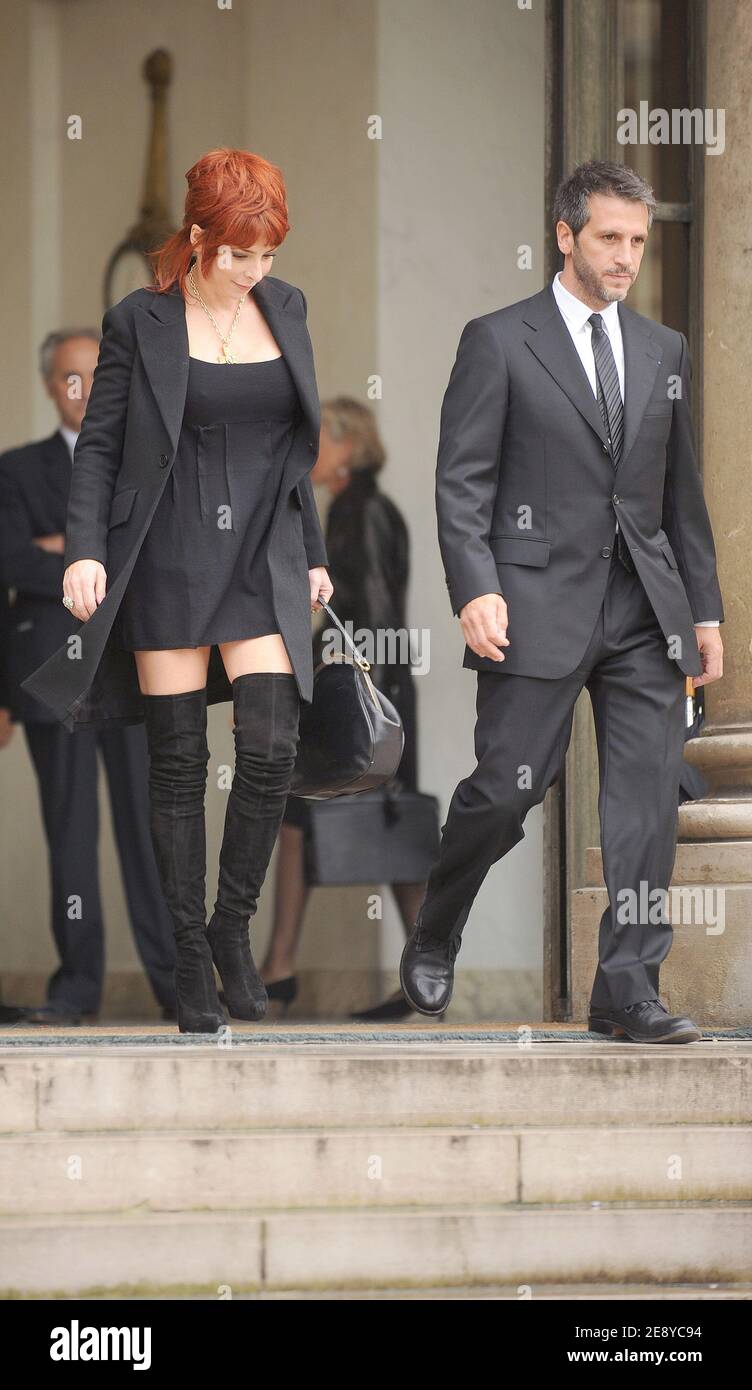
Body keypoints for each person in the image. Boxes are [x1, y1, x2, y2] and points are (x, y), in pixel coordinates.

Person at [400, 160, 724, 1045]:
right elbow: (460, 482)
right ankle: (438, 921)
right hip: (532, 603)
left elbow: (679, 494)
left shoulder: (663, 350)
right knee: (508, 792)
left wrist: (704, 613)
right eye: (610, 239)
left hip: (641, 610)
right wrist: (475, 588)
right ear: (565, 235)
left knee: (646, 801)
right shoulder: (499, 340)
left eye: (638, 243)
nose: (626, 259)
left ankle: (627, 989)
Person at [20, 147, 333, 1034]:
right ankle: (188, 962)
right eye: (240, 255)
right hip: (165, 552)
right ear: (199, 239)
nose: (256, 272)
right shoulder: (140, 321)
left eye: (268, 253)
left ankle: (230, 924)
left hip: (262, 553)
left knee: (271, 746)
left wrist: (309, 550)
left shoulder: (289, 308)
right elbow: (104, 447)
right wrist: (85, 552)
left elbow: (294, 453)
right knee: (179, 764)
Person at [0, 329, 180, 1025]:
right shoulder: (16, 471)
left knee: (152, 829)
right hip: (53, 676)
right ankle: (76, 988)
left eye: (94, 377)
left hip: (136, 669)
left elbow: (156, 552)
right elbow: (10, 563)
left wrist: (67, 550)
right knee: (70, 837)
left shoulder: (140, 464)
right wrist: (93, 552)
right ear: (51, 385)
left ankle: (176, 983)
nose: (81, 390)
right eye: (70, 378)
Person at [262, 398, 425, 1021]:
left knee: (386, 814)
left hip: (364, 696)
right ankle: (284, 967)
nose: (311, 453)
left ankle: (419, 970)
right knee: (334, 814)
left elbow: (376, 616)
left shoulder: (363, 511)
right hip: (365, 692)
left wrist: (366, 704)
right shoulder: (352, 508)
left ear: (349, 447)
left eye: (321, 441)